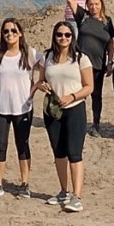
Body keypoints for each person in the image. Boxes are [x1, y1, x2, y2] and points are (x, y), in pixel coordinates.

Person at [36, 22, 94, 213]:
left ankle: (76, 196)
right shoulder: (47, 57)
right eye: (60, 35)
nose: (63, 38)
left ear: (72, 37)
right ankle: (63, 190)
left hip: (74, 109)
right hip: (53, 110)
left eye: (67, 35)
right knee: (58, 152)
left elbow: (89, 86)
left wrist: (72, 96)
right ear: (54, 36)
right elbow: (41, 80)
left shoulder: (80, 58)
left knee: (74, 152)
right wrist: (42, 85)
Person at [0, 17, 38, 199]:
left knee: (22, 145)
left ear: (20, 33)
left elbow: (47, 68)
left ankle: (25, 183)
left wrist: (36, 87)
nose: (10, 34)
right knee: (0, 146)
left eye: (14, 31)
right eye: (6, 31)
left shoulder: (29, 53)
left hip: (23, 107)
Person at [63, 0, 114, 137]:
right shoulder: (83, 17)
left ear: (101, 5)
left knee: (96, 95)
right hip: (80, 64)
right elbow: (71, 0)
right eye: (91, 4)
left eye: (96, 4)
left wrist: (111, 61)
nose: (93, 7)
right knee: (78, 94)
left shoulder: (107, 21)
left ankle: (96, 125)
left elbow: (110, 43)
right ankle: (76, 123)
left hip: (98, 64)